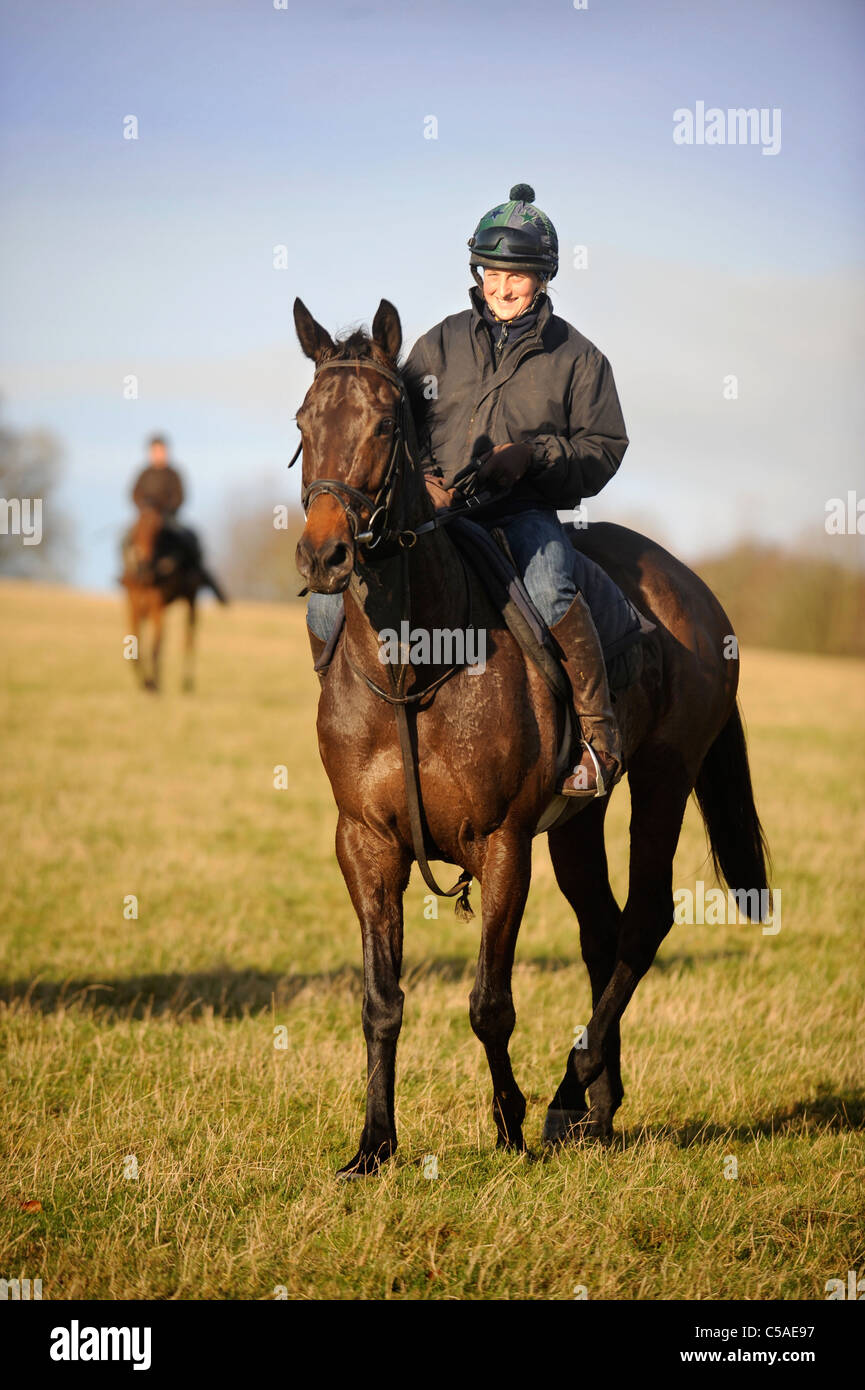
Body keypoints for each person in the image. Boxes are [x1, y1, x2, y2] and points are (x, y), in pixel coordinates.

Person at [308, 184, 629, 799]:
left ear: (543, 279)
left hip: (523, 511)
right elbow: (395, 427)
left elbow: (604, 448)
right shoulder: (438, 344)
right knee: (324, 604)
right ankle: (348, 725)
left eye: (517, 277)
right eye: (491, 273)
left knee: (550, 585)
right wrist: (426, 480)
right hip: (434, 512)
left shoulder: (580, 360)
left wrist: (533, 457)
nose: (502, 288)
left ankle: (597, 735)